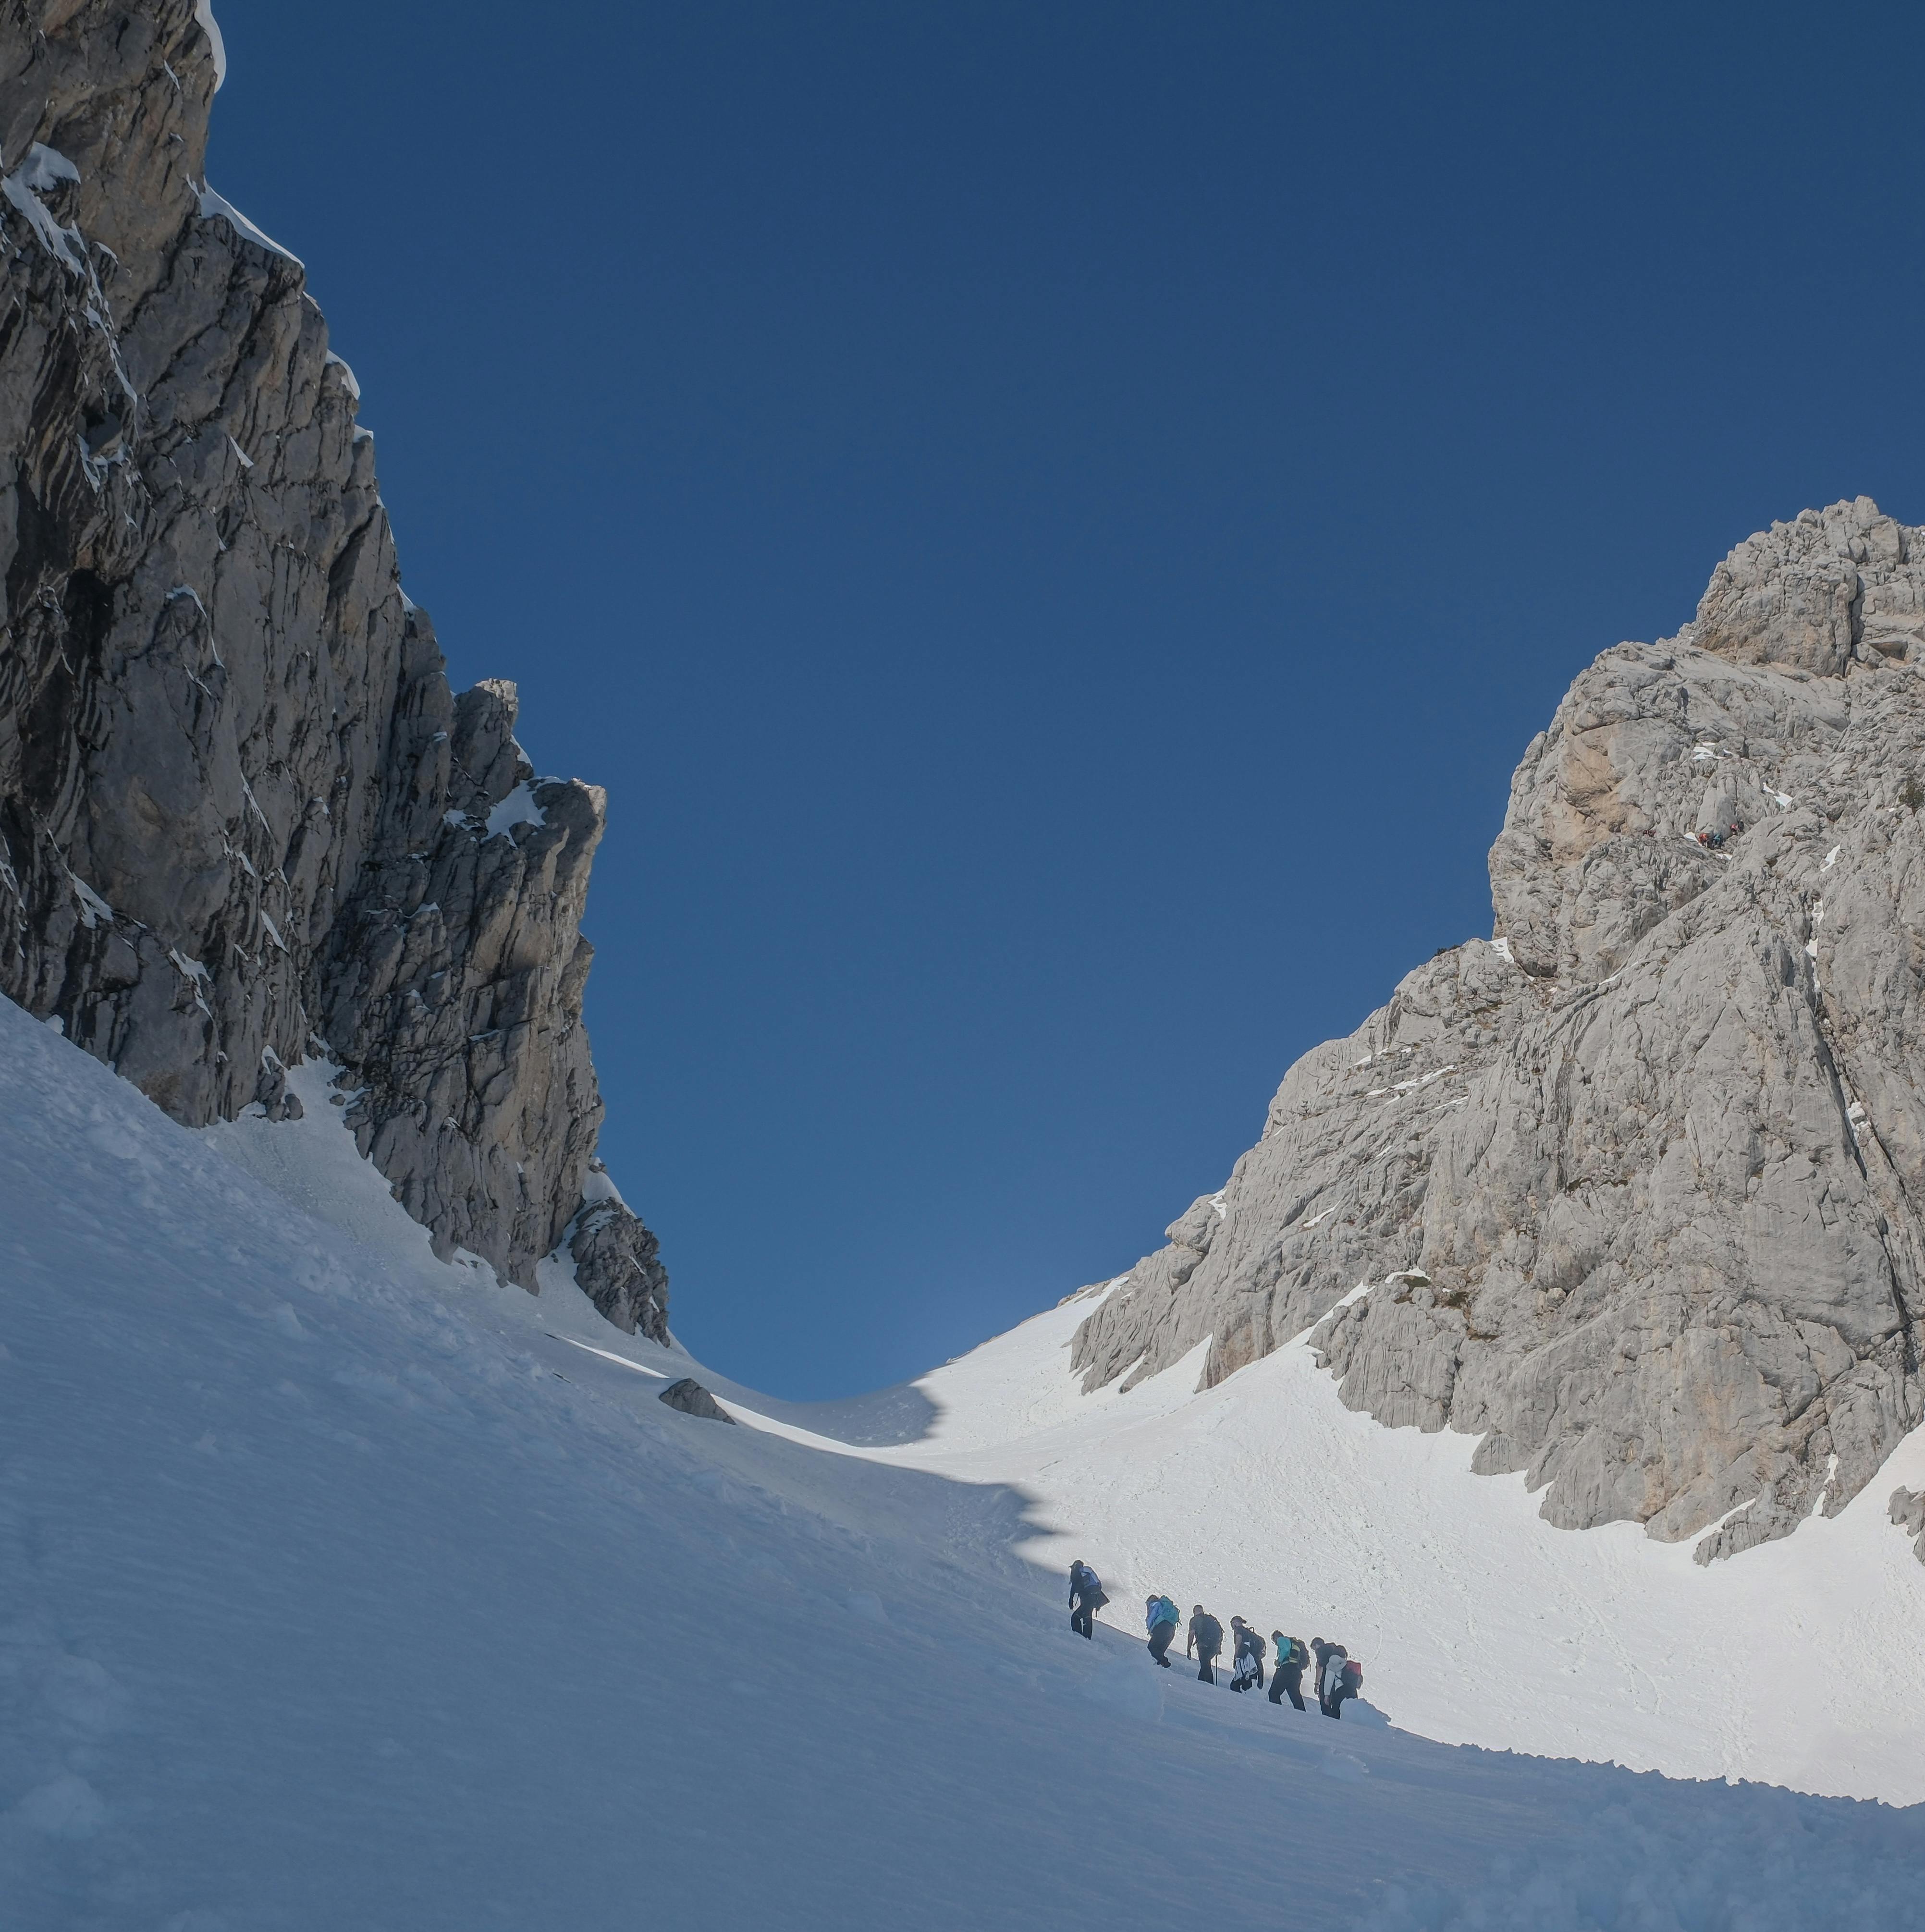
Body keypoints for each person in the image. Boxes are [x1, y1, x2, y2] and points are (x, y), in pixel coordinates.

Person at [1068, 1560, 1108, 1639]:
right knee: (1086, 1616)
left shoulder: (1078, 1573)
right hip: (1093, 1598)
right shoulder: (1087, 1572)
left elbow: (1074, 1587)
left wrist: (1071, 1600)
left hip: (1087, 1598)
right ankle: (1084, 1637)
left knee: (1077, 1617)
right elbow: (1098, 1583)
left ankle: (1080, 1637)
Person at [1268, 1632, 1307, 1711]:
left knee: (1273, 1693)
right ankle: (1303, 1716)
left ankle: (1277, 1713)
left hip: (1287, 1670)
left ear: (1275, 1637)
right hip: (1297, 1672)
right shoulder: (1293, 1643)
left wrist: (1279, 1661)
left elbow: (1285, 1649)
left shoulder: (1281, 1639)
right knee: (1295, 1696)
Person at [1187, 1604, 1223, 1683]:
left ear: (1194, 1612)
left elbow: (1191, 1634)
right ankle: (1200, 1683)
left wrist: (1189, 1649)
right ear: (1203, 1611)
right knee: (1205, 1665)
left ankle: (1210, 1686)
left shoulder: (1195, 1620)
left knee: (1205, 1666)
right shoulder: (1211, 1619)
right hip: (1215, 1647)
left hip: (1204, 1646)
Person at [1229, 1617, 1265, 1693]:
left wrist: (1236, 1659)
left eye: (1232, 1623)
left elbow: (1238, 1646)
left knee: (1235, 1685)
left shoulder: (1239, 1631)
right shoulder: (1249, 1632)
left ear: (1235, 1622)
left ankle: (1243, 1701)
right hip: (1253, 1661)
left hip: (1244, 1660)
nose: (1232, 1626)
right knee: (1245, 1683)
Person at [1145, 1594, 1180, 1667]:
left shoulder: (1155, 1604)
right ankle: (1159, 1668)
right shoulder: (1166, 1606)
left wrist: (1150, 1629)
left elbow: (1151, 1617)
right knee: (1159, 1652)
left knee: (1151, 1648)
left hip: (1162, 1627)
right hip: (1171, 1630)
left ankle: (1165, 1663)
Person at [1318, 1641, 1352, 1718]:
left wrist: (1327, 1695)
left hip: (1340, 1691)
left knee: (1335, 1714)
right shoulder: (1347, 1663)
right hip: (1352, 1691)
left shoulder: (1333, 1662)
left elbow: (1329, 1680)